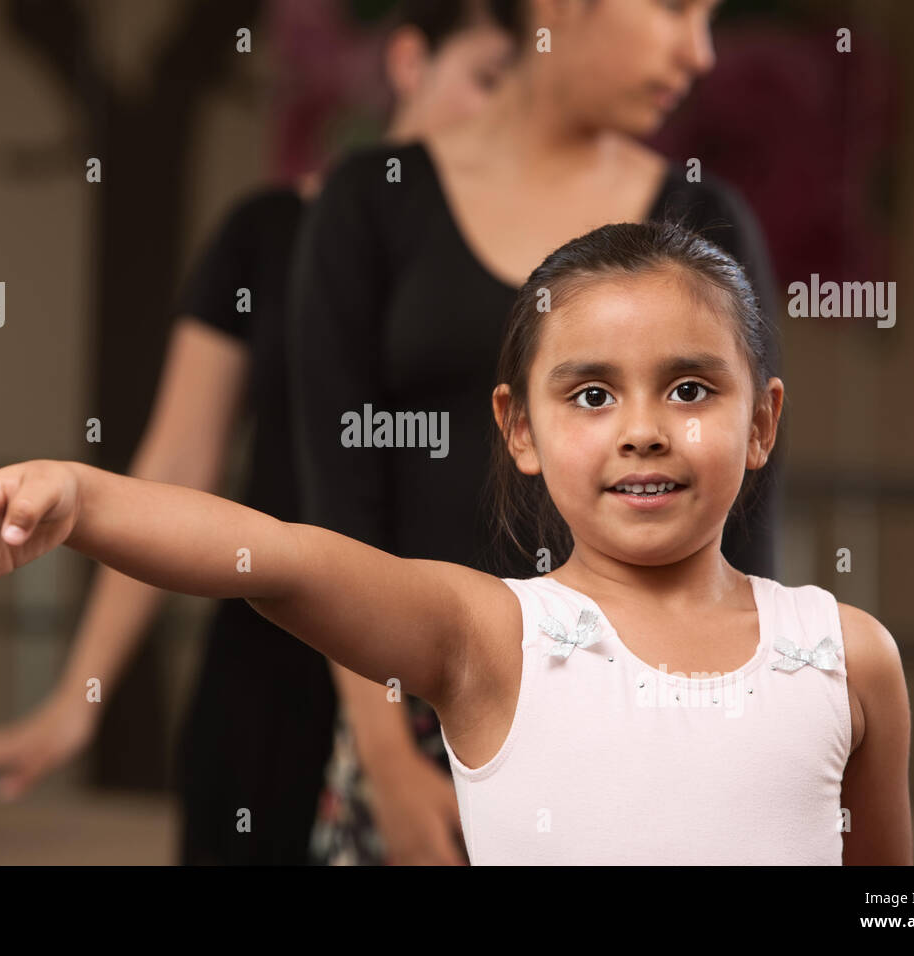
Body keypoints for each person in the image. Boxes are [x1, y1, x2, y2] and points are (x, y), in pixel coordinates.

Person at [0, 220, 913, 865]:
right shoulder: (489, 636)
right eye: (591, 394)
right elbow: (274, 555)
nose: (642, 429)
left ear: (761, 421)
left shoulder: (848, 655)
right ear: (519, 428)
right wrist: (80, 498)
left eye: (690, 388)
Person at [0, 0, 514, 865]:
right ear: (411, 60)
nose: (508, 107)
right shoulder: (268, 232)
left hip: (445, 666)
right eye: (488, 78)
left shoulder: (532, 263)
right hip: (276, 655)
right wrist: (81, 694)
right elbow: (179, 457)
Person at [290, 0, 784, 865]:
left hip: (650, 718)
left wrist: (726, 742)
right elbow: (339, 499)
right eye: (674, 9)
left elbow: (749, 523)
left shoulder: (706, 219)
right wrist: (386, 760)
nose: (700, 53)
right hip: (417, 712)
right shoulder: (372, 198)